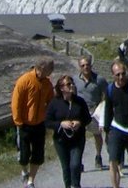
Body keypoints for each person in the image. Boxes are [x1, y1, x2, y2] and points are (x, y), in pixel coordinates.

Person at [11, 58, 56, 188]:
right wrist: (19, 122)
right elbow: (16, 103)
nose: (53, 70)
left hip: (39, 124)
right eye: (51, 67)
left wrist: (49, 117)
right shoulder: (24, 81)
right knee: (24, 155)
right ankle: (24, 171)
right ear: (43, 68)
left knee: (38, 155)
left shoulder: (47, 83)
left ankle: (31, 181)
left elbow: (50, 101)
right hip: (24, 124)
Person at [45, 75, 91, 188]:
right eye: (68, 84)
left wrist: (79, 123)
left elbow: (88, 118)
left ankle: (76, 185)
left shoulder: (80, 101)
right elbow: (47, 121)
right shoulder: (54, 103)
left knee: (75, 165)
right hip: (61, 140)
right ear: (61, 88)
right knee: (66, 167)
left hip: (77, 139)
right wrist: (60, 124)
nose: (71, 86)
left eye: (72, 83)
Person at [76, 55, 110, 169]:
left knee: (97, 135)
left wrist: (103, 107)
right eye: (83, 65)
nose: (85, 67)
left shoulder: (99, 79)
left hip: (94, 111)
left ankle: (98, 156)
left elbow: (108, 93)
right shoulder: (75, 80)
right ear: (79, 67)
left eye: (87, 65)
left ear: (91, 66)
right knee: (79, 137)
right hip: (80, 112)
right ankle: (78, 160)